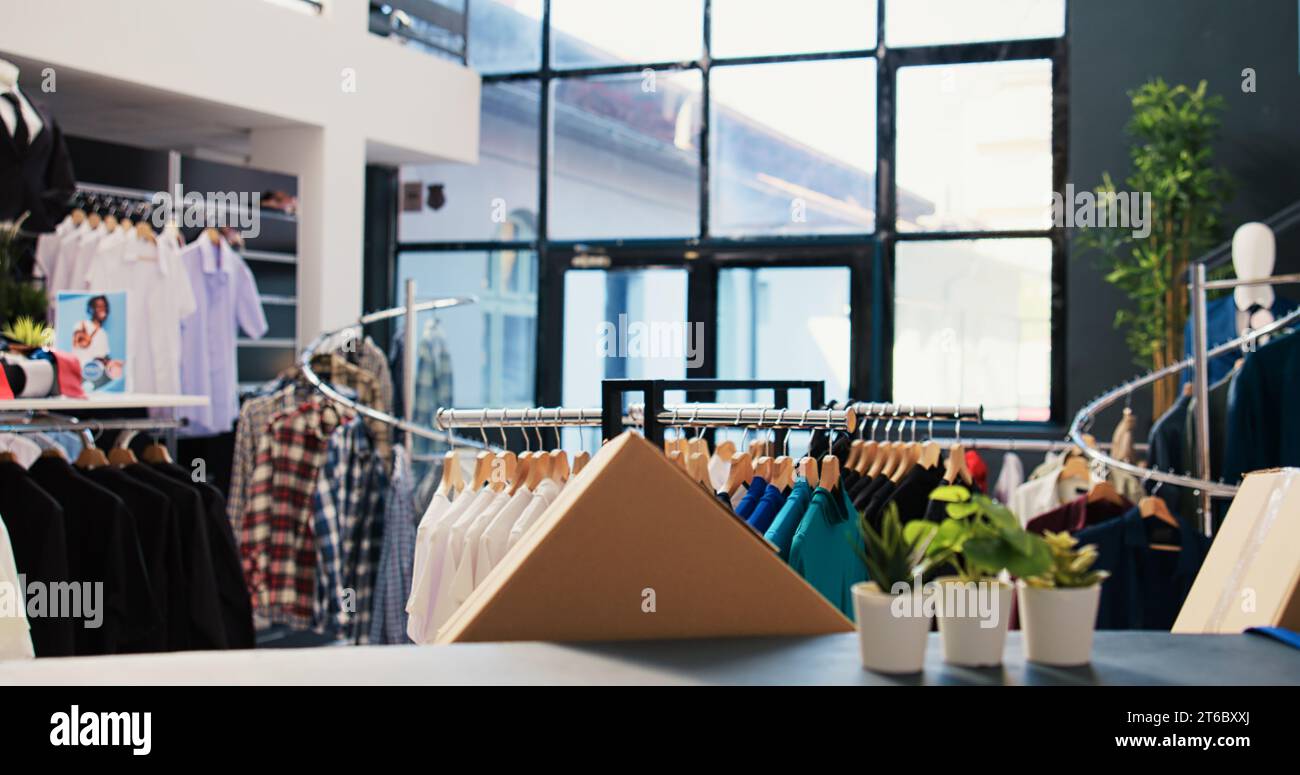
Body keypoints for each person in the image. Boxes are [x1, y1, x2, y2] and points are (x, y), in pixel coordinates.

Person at [71, 294, 110, 365]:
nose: (103, 310)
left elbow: (103, 357)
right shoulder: (81, 325)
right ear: (91, 309)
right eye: (99, 306)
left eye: (104, 307)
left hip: (95, 372)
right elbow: (77, 345)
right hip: (80, 370)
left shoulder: (103, 333)